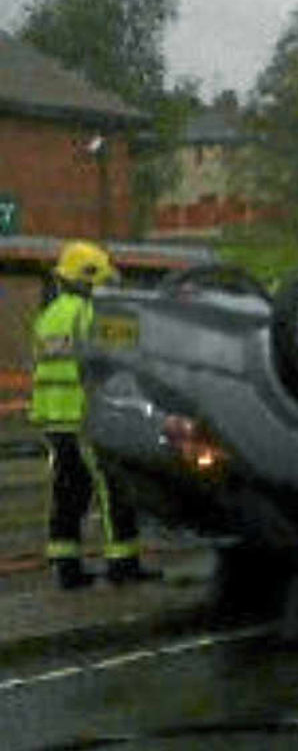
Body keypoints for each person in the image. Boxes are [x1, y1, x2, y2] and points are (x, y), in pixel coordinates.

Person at [29, 241, 159, 589]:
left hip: (54, 420)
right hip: (86, 417)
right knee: (113, 489)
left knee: (67, 491)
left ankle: (65, 566)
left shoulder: (48, 318)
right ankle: (122, 563)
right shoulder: (88, 314)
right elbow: (126, 349)